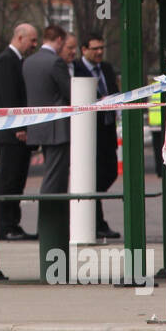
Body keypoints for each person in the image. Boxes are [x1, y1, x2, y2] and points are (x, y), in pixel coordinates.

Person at [23, 26, 72, 261]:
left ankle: (47, 225)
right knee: (56, 178)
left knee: (48, 176)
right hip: (57, 128)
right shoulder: (56, 64)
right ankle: (51, 228)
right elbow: (72, 92)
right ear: (60, 40)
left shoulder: (28, 62)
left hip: (37, 126)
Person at [73, 33, 122, 239]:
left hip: (107, 130)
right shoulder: (77, 69)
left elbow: (114, 92)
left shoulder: (107, 69)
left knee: (110, 172)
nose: (100, 52)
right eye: (95, 48)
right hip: (88, 132)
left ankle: (90, 207)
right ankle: (95, 220)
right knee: (90, 177)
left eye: (102, 47)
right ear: (84, 50)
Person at [0, 23, 38, 240]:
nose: (35, 45)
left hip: (16, 132)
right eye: (32, 40)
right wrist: (19, 127)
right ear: (20, 38)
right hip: (11, 134)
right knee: (9, 180)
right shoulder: (6, 61)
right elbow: (9, 97)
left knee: (17, 180)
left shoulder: (16, 60)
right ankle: (5, 225)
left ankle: (12, 223)